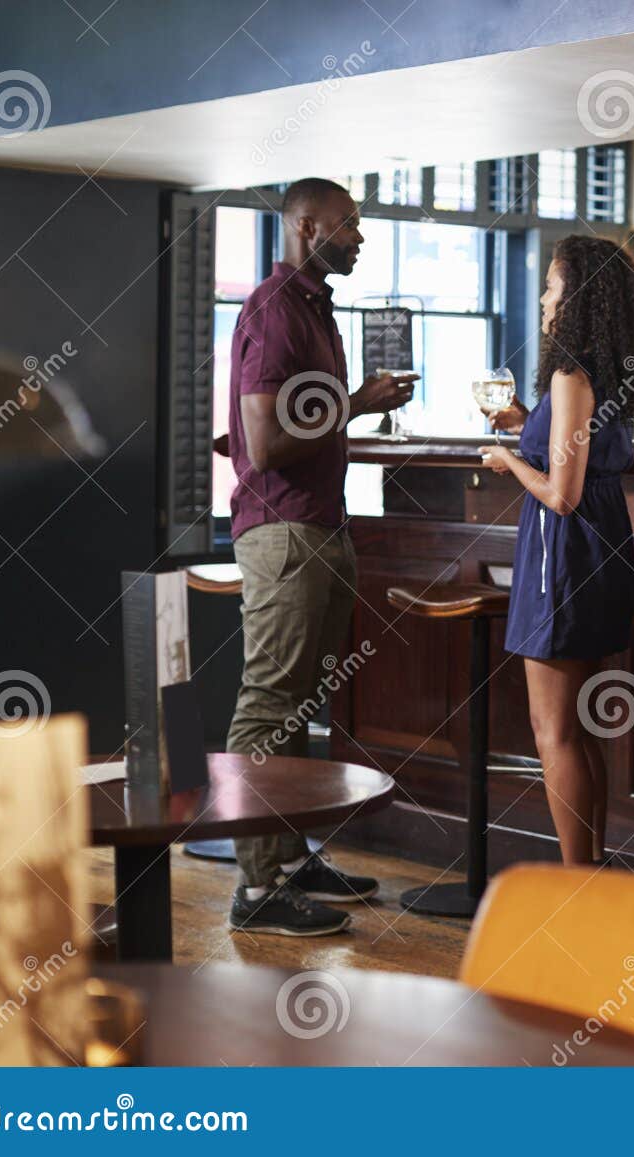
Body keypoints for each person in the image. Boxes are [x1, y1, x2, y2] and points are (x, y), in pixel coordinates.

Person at [226, 177, 419, 936]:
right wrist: (359, 404)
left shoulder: (312, 309)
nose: (362, 237)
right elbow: (268, 444)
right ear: (307, 227)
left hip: (320, 526)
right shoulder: (275, 312)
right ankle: (256, 888)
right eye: (351, 225)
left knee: (302, 705)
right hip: (285, 530)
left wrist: (352, 411)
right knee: (269, 702)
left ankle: (290, 853)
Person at [479, 236, 634, 866]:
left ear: (577, 295)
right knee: (579, 733)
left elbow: (561, 495)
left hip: (564, 558)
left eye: (552, 286)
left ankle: (580, 884)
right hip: (602, 552)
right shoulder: (602, 371)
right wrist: (526, 422)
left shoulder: (571, 370)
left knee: (553, 731)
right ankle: (593, 875)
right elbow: (577, 456)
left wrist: (506, 462)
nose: (546, 299)